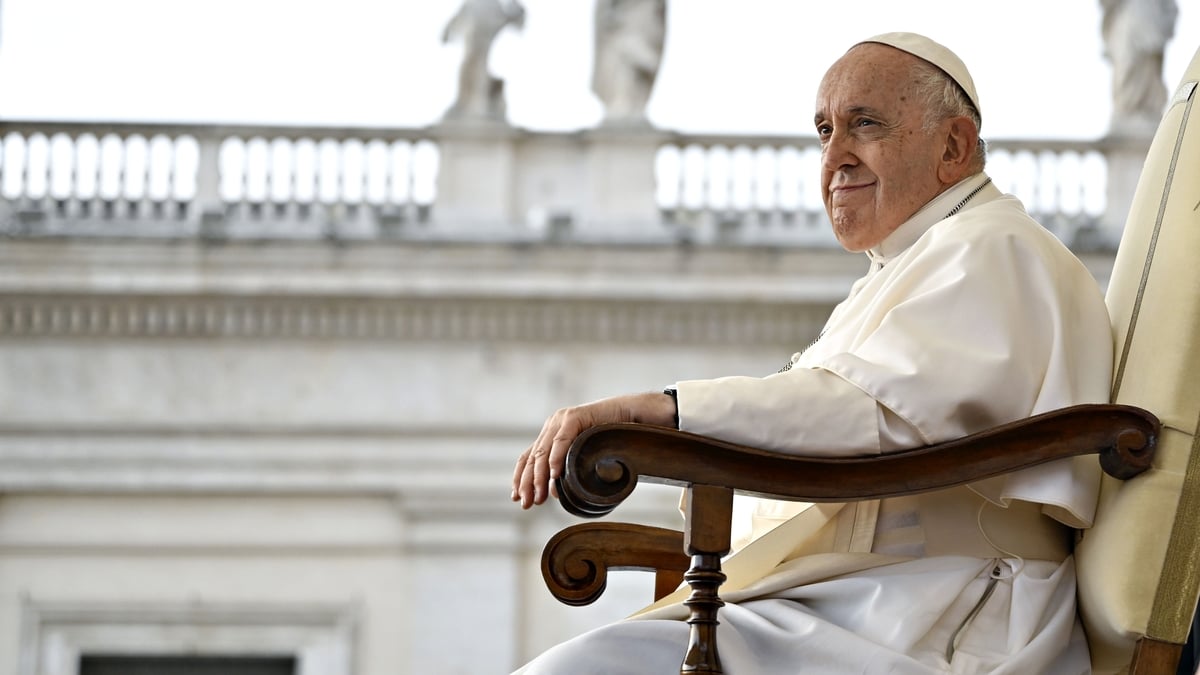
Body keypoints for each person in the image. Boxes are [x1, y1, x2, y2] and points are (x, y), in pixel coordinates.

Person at [511, 32, 1111, 674]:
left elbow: (863, 415)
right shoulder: (910, 263)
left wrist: (656, 413)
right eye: (824, 131)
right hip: (872, 597)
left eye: (865, 124)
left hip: (945, 612)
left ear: (953, 146)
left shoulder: (993, 248)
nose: (836, 157)